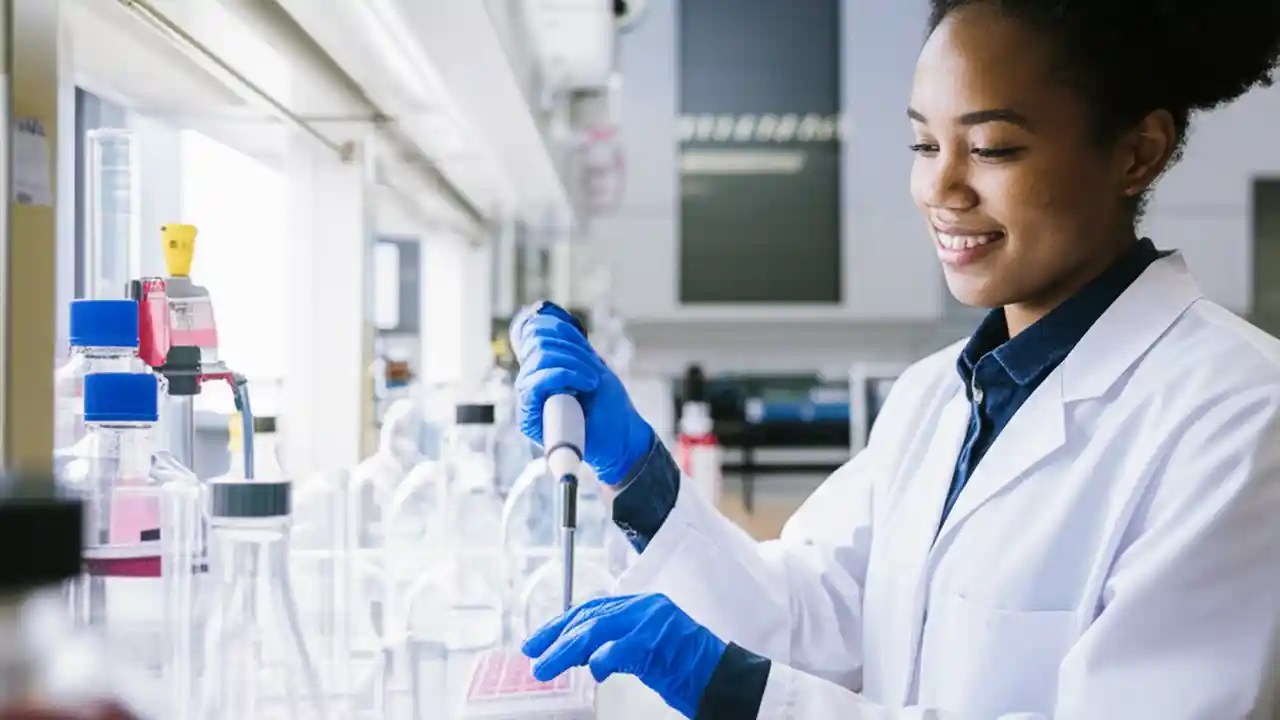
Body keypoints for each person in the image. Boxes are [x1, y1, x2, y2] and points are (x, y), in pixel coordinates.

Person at [511, 1, 1280, 717]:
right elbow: (809, 617)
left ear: (1137, 154)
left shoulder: (1240, 418)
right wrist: (641, 477)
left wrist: (738, 690)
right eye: (923, 143)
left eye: (991, 148)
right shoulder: (936, 399)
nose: (940, 187)